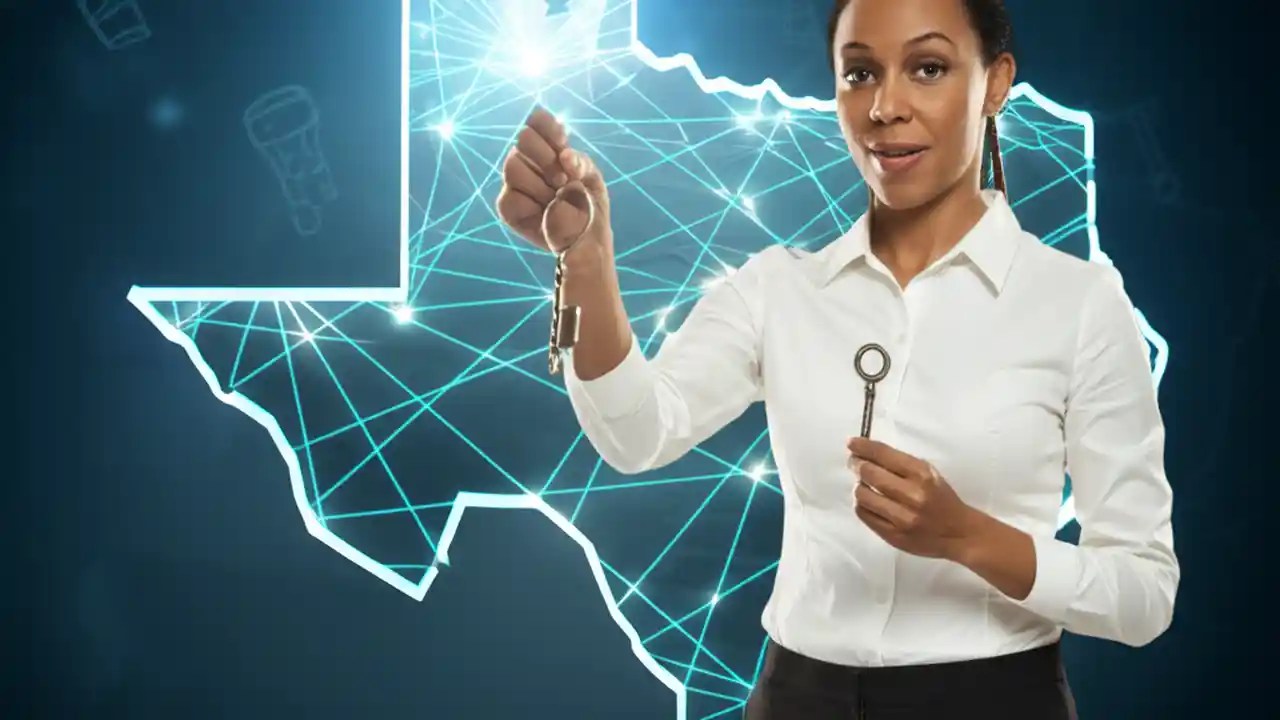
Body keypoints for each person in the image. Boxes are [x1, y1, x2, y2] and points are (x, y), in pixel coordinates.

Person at [495, 0, 1179, 717]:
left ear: (996, 82)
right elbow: (637, 435)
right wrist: (586, 260)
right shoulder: (778, 289)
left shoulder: (1077, 304)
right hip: (797, 696)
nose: (885, 107)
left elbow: (1143, 594)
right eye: (860, 74)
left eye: (928, 68)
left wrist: (966, 535)